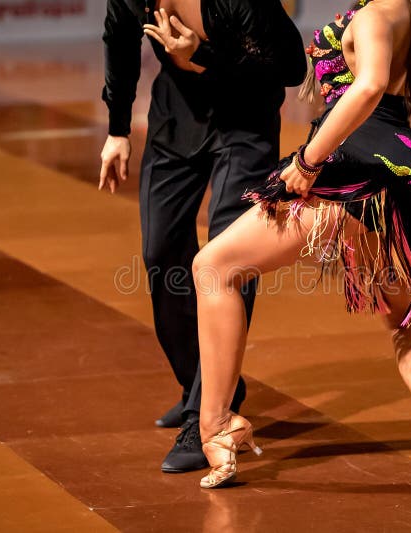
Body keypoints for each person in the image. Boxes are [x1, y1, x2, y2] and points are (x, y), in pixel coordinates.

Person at [193, 0, 411, 488]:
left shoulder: (375, 14)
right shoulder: (409, 11)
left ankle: (216, 427)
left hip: (353, 176)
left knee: (213, 267)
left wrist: (308, 160)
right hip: (401, 186)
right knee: (405, 326)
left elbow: (370, 85)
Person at [99, 0, 306, 473]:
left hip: (245, 119)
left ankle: (206, 415)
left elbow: (291, 67)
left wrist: (204, 55)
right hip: (176, 112)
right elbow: (119, 38)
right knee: (160, 253)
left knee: (226, 261)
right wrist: (117, 129)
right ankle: (202, 380)